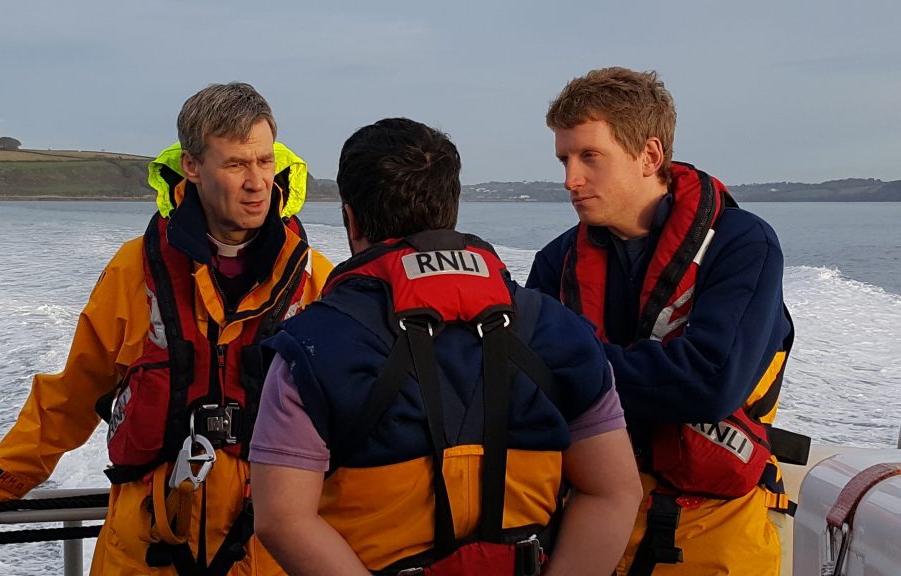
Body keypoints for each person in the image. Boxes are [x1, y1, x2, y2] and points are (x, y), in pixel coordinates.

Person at [0, 82, 334, 575]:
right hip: (145, 546)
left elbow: (354, 415)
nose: (257, 182)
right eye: (236, 164)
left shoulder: (313, 278)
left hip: (267, 549)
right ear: (192, 166)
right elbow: (74, 391)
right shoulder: (134, 270)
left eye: (265, 161)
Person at [248, 117, 643, 576]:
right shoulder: (560, 331)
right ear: (450, 209)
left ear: (350, 219)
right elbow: (615, 492)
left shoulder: (310, 346)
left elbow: (282, 520)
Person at [527, 67, 805, 575]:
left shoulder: (743, 246)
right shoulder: (556, 262)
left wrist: (571, 368)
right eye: (565, 159)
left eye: (590, 156)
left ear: (649, 156)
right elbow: (526, 380)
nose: (571, 180)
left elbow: (710, 382)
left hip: (714, 531)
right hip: (592, 527)